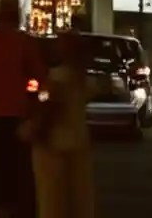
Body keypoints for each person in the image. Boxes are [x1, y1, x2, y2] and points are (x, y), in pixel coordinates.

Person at [0, 0, 46, 218]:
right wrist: (36, 110)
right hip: (18, 118)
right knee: (20, 180)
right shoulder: (25, 43)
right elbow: (39, 82)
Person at [29, 30, 95, 218]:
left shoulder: (57, 77)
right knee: (79, 201)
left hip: (53, 145)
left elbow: (47, 102)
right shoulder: (83, 78)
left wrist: (40, 97)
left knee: (52, 202)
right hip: (78, 143)